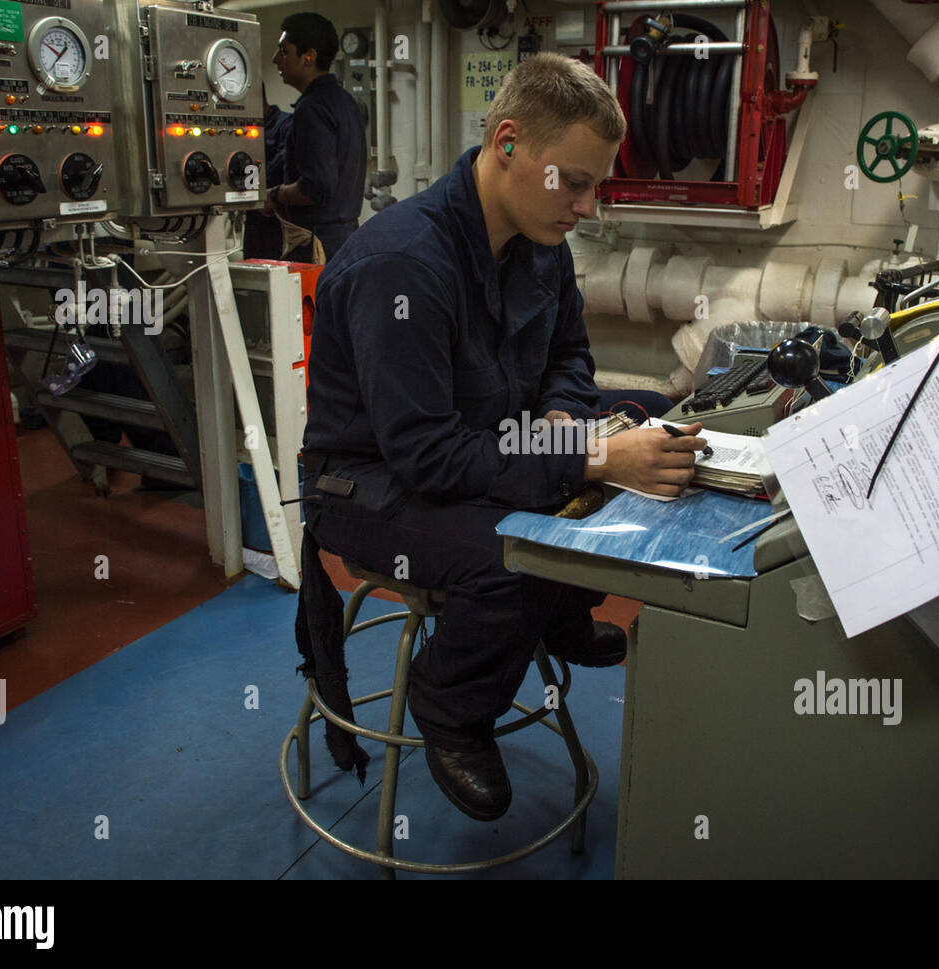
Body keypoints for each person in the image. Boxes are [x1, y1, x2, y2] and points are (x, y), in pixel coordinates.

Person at [296, 53, 706, 821]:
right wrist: (583, 456)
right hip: (370, 482)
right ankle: (450, 698)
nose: (586, 206)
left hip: (487, 435)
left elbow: (569, 357)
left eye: (595, 186)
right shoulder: (404, 265)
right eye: (575, 182)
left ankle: (556, 610)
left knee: (647, 412)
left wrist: (561, 421)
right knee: (518, 552)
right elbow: (428, 455)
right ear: (509, 142)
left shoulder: (539, 241)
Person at [262, 12, 366, 263]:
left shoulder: (311, 109)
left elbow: (316, 187)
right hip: (345, 239)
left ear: (309, 57)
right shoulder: (345, 101)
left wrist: (274, 195)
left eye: (284, 51)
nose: (276, 60)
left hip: (318, 245)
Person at [242, 95, 291, 260]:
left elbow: (284, 166)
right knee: (252, 267)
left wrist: (264, 191)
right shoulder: (243, 129)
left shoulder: (285, 125)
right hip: (254, 216)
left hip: (278, 216)